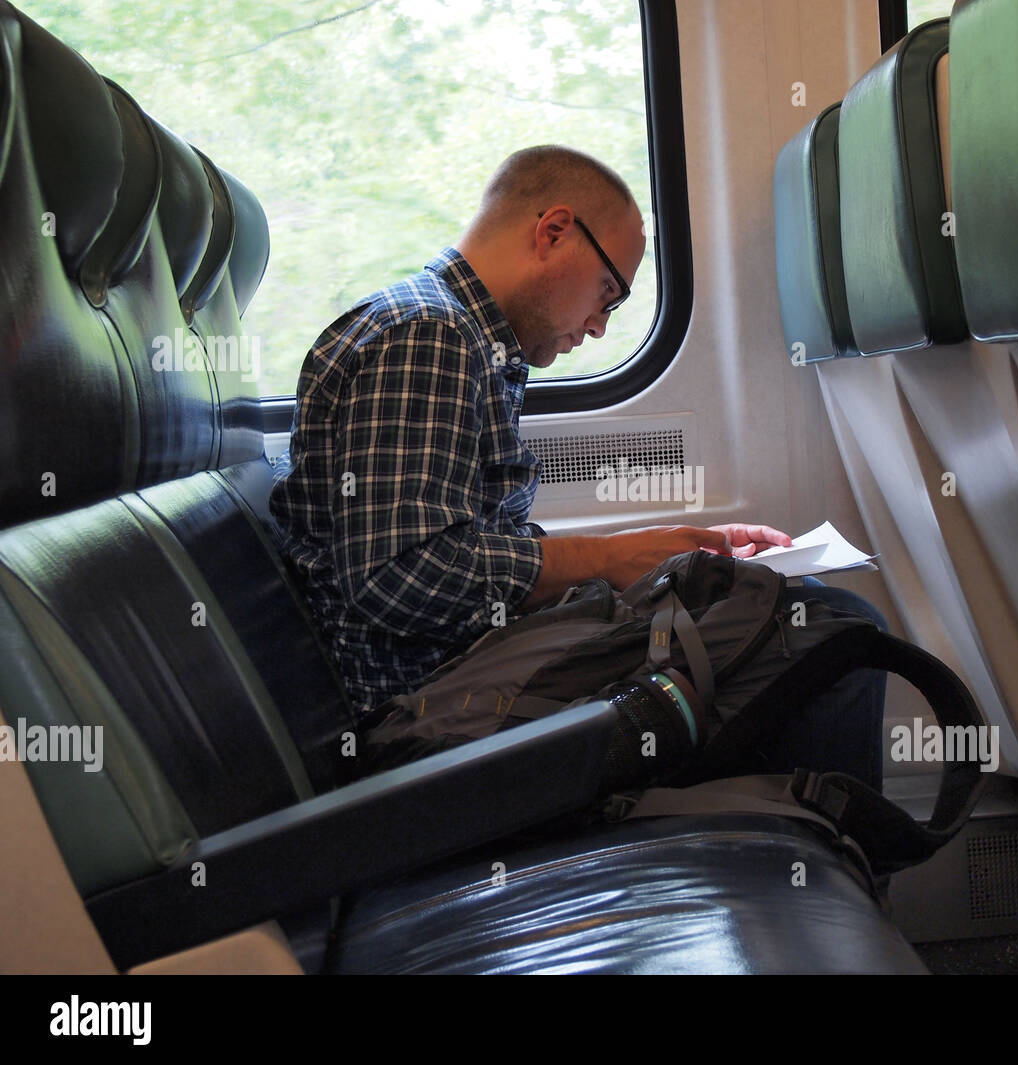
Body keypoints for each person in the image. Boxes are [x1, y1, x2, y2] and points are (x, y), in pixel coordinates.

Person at [270, 144, 885, 785]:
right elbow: (402, 573)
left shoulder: (464, 340)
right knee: (832, 630)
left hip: (469, 680)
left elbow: (463, 553)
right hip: (425, 721)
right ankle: (816, 862)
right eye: (607, 292)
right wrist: (612, 560)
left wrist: (665, 557)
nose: (598, 327)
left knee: (785, 609)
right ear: (554, 231)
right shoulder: (425, 336)